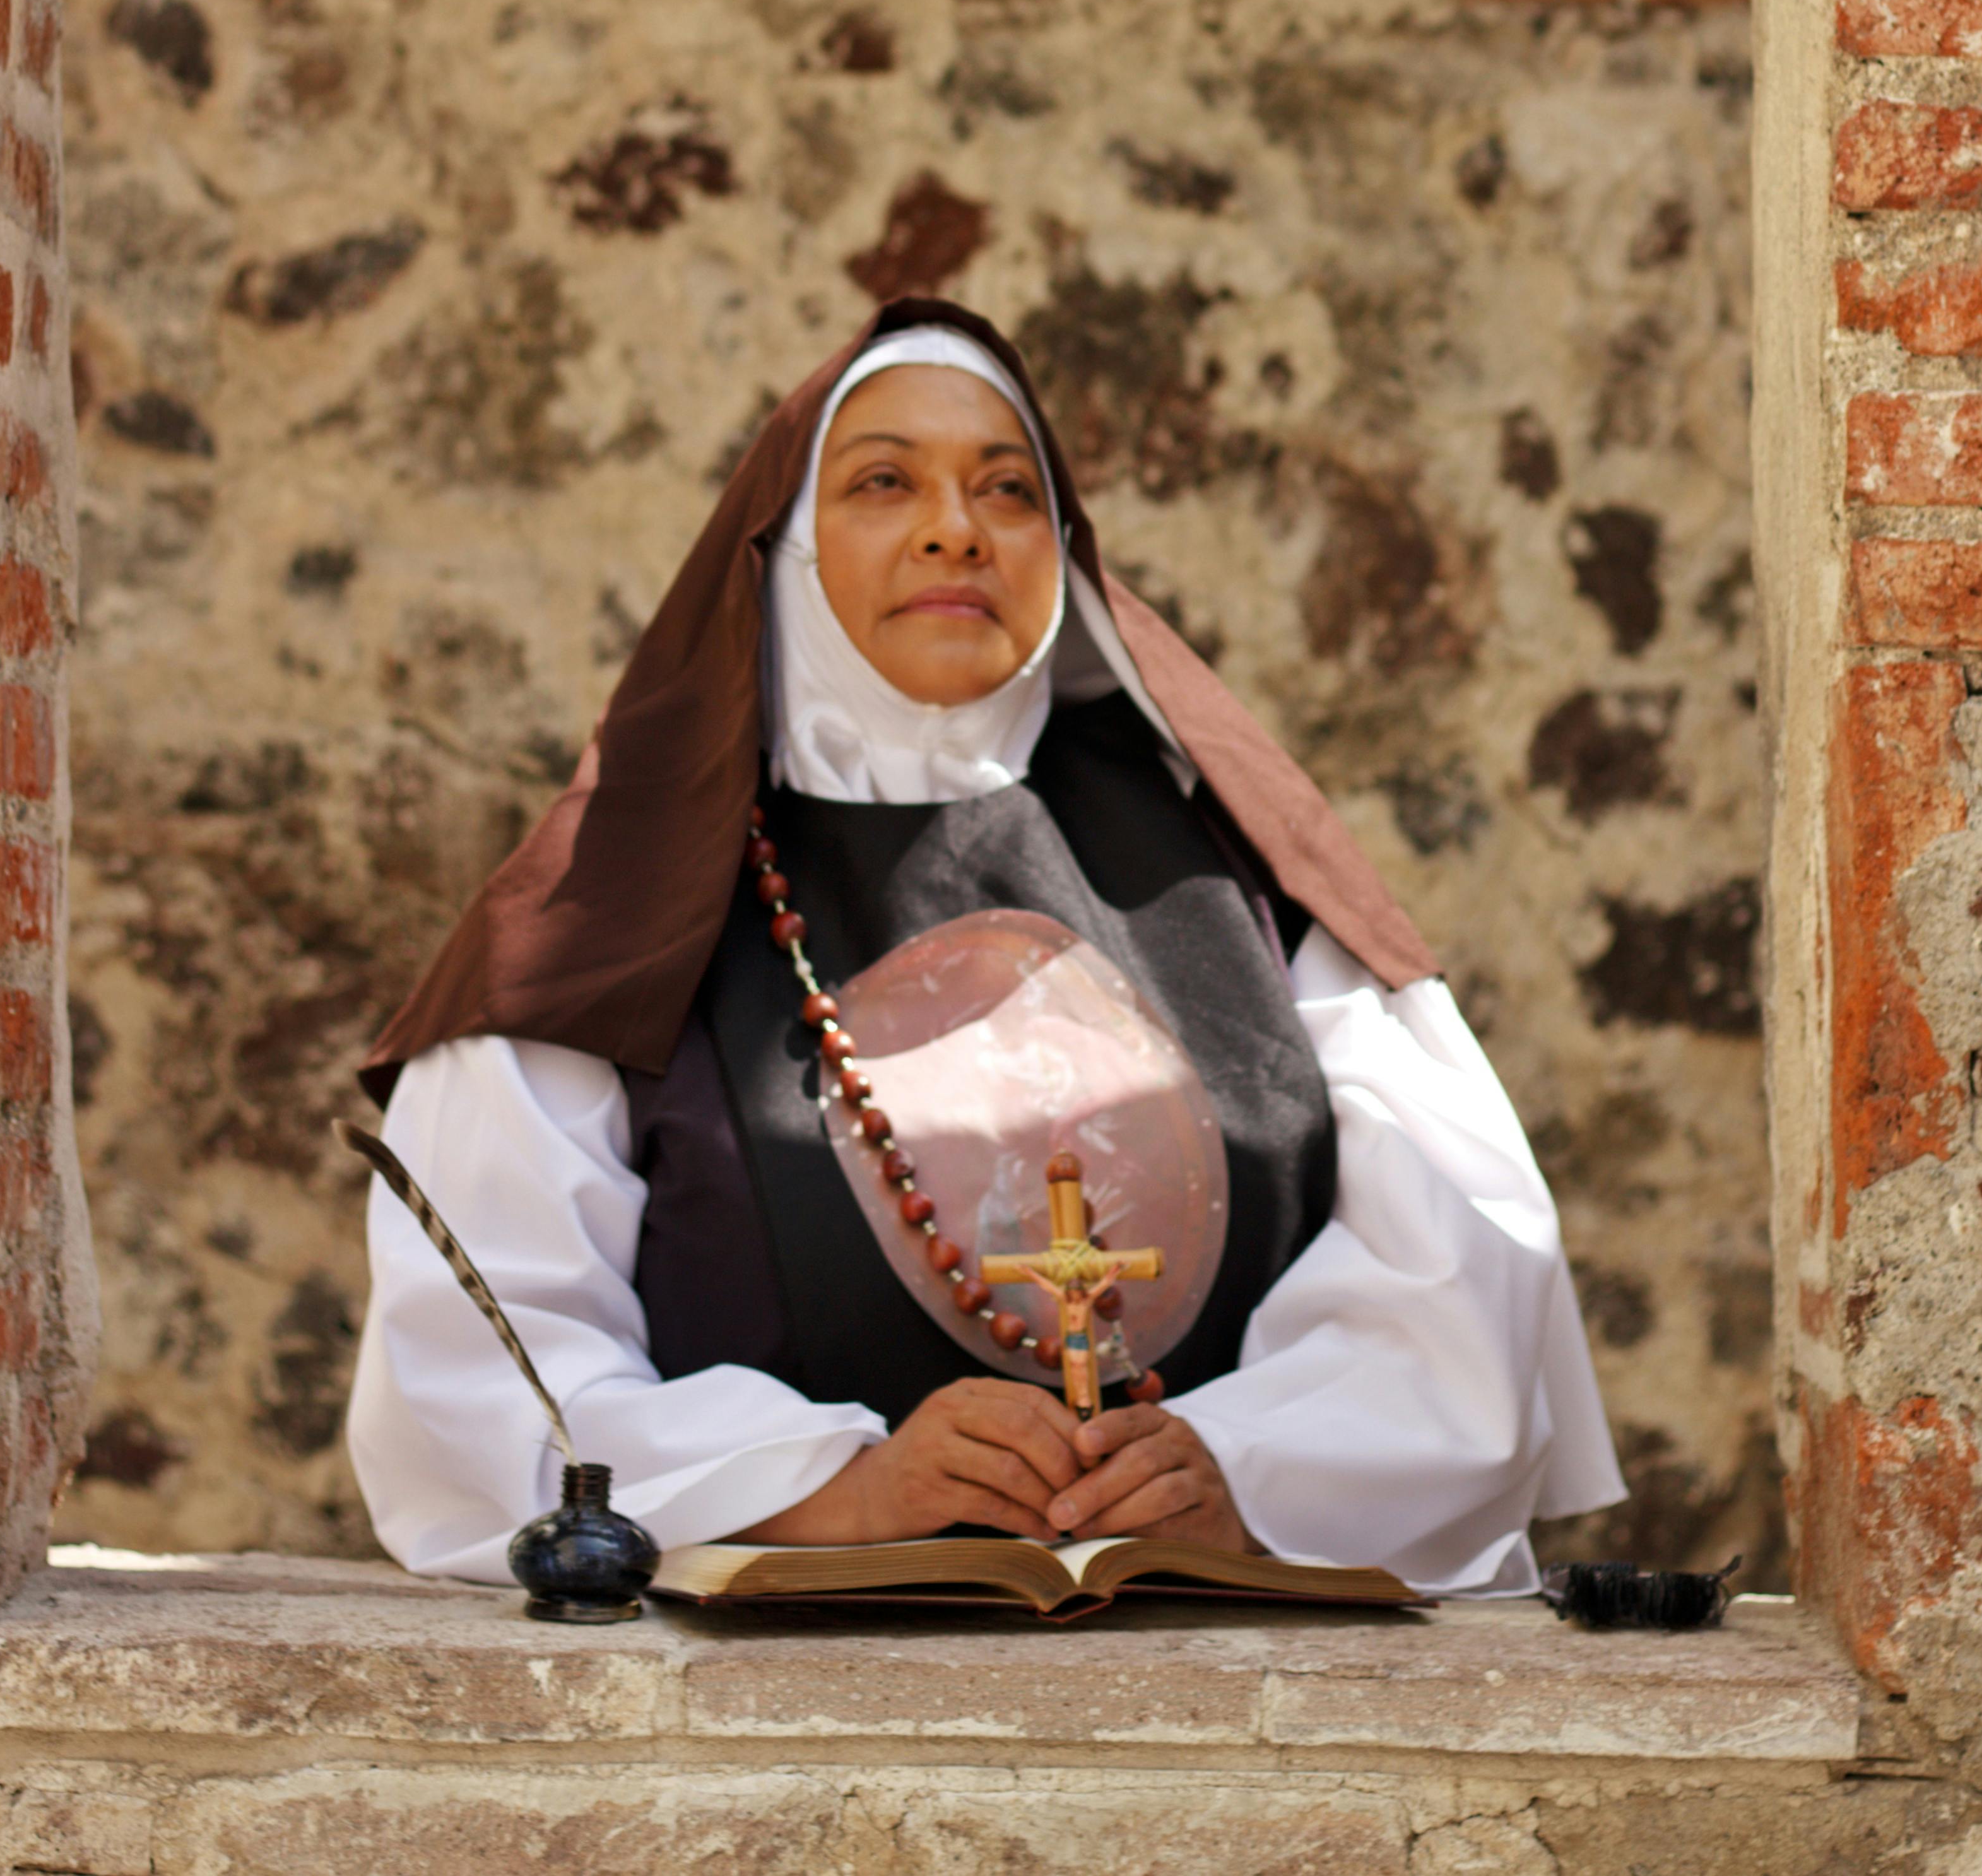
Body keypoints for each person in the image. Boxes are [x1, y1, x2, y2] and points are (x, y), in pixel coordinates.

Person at [348, 300, 1621, 1586]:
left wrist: (1239, 1467)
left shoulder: (1236, 878)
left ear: (1058, 552)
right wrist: (836, 1487)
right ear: (782, 549)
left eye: (1007, 490)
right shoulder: (605, 910)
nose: (955, 526)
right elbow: (480, 1360)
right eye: (883, 480)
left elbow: (1458, 1268)